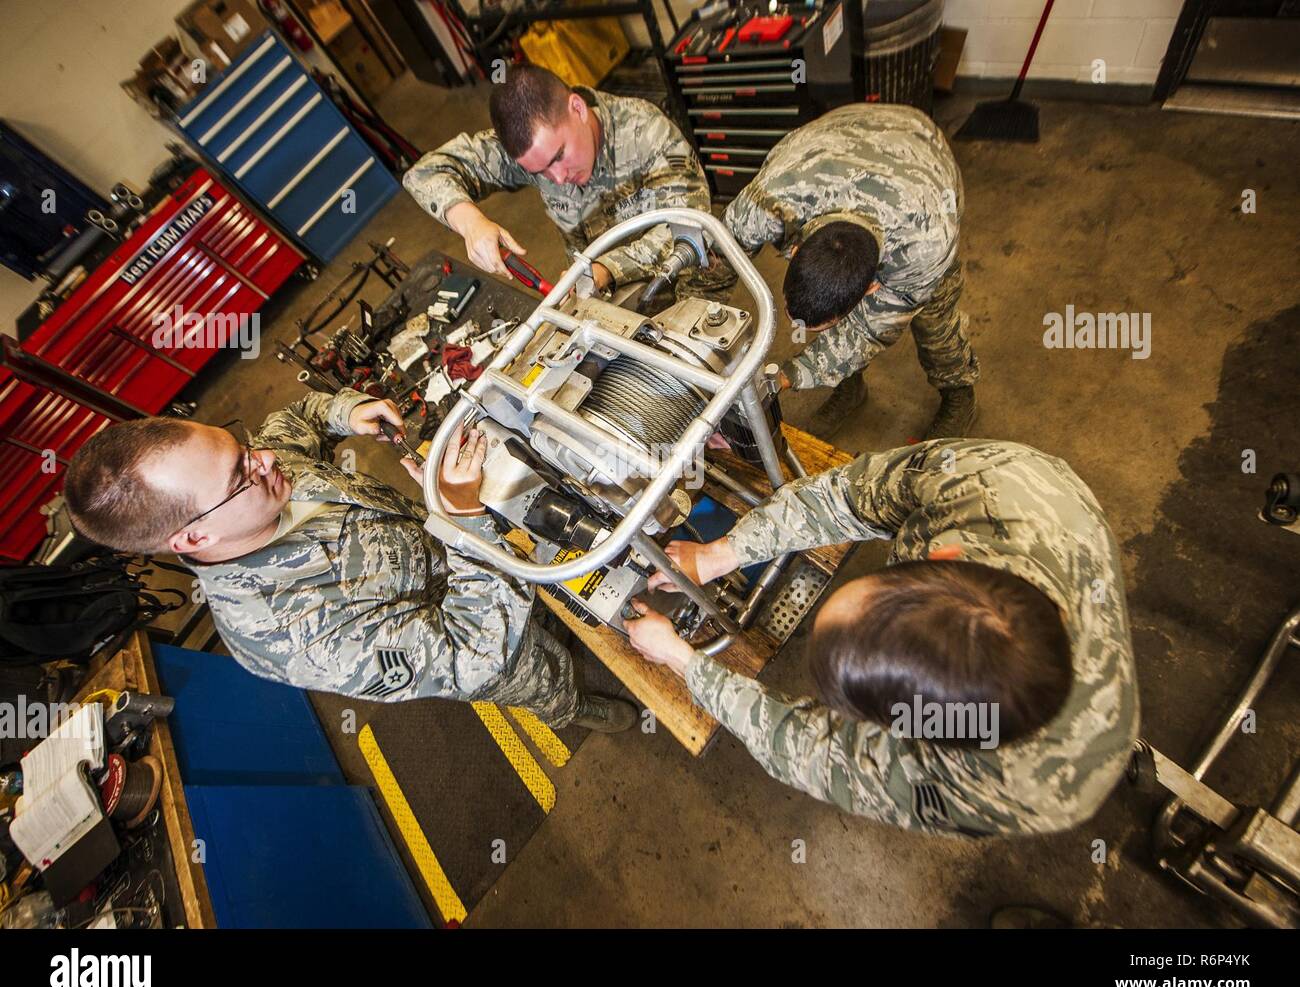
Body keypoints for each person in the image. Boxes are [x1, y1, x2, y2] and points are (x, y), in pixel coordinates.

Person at [624, 439, 1139, 835]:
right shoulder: (999, 484)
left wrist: (681, 660)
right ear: (943, 559)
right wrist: (721, 554)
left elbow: (801, 747)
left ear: (912, 728)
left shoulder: (1013, 790)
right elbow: (845, 496)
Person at [62, 387, 635, 732]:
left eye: (238, 445)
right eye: (241, 473)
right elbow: (473, 655)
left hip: (465, 555)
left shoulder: (261, 473)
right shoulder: (290, 632)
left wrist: (346, 409)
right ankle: (573, 705)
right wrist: (464, 519)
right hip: (490, 634)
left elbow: (295, 418)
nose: (263, 458)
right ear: (192, 538)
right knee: (540, 675)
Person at [723, 103, 980, 441]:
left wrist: (788, 376)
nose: (795, 327)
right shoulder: (766, 204)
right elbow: (716, 255)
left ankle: (959, 395)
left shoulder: (926, 244)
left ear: (873, 288)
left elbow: (867, 333)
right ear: (798, 250)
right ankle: (850, 387)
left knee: (935, 321)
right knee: (826, 294)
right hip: (837, 134)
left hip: (919, 151)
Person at [404, 63, 730, 298]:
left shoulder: (647, 133)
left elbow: (690, 228)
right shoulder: (532, 151)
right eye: (540, 171)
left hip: (680, 275)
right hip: (593, 288)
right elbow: (425, 172)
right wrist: (470, 222)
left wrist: (604, 269)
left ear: (577, 107)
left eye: (558, 155)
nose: (558, 177)